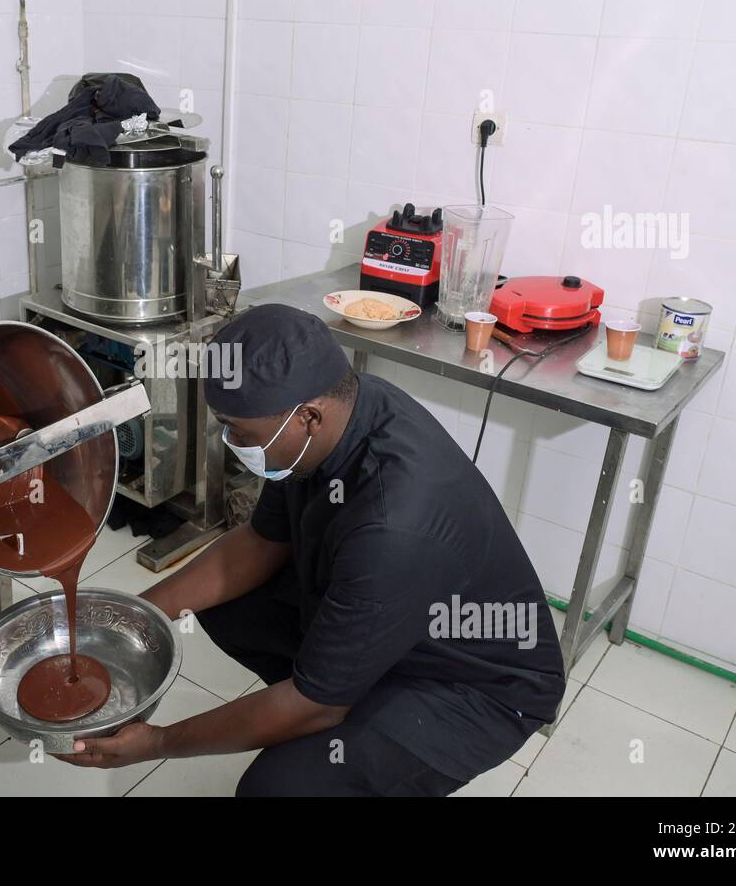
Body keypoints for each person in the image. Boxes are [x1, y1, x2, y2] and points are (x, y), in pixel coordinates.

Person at [58, 304, 567, 796]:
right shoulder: (323, 425)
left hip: (474, 686)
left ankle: (352, 717)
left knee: (278, 787)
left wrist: (159, 742)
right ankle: (343, 690)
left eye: (240, 432)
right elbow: (257, 543)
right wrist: (132, 615)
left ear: (308, 417)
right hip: (392, 622)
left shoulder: (395, 524)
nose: (231, 441)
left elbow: (313, 704)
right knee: (225, 605)